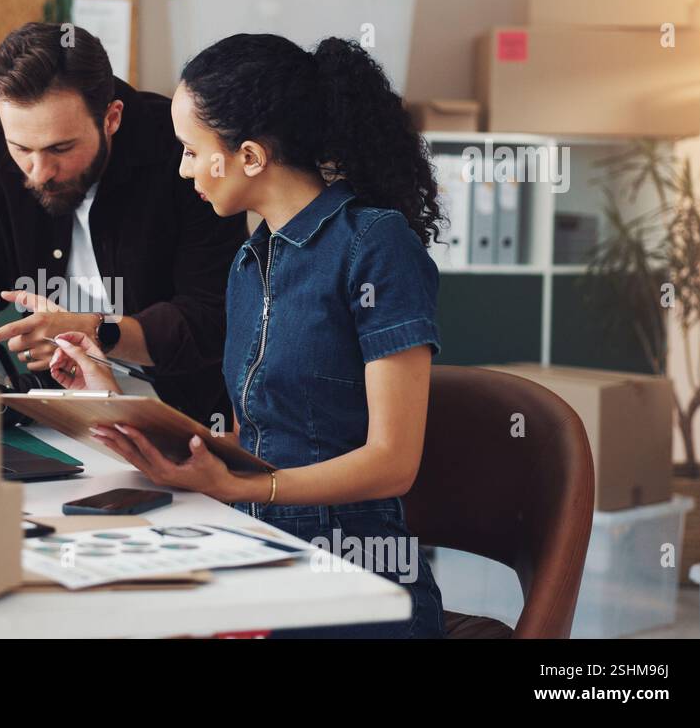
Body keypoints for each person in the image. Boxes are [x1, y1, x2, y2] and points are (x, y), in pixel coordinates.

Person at [48, 34, 447, 639]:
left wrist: (244, 485)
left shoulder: (375, 245)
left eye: (189, 150)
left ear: (252, 157)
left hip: (353, 584)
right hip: (256, 549)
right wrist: (114, 399)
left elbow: (392, 464)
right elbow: (260, 436)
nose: (182, 169)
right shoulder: (248, 262)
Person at [0, 22, 247, 423]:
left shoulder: (182, 153)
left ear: (111, 118)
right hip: (56, 405)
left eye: (61, 148)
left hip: (185, 413)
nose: (39, 171)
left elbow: (213, 316)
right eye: (21, 148)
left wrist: (97, 332)